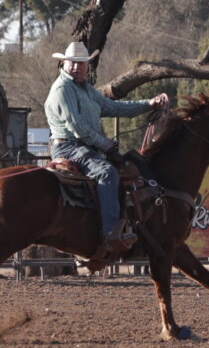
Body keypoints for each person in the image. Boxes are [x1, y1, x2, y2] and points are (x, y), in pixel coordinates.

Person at [43, 41, 171, 259]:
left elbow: (113, 107)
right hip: (69, 146)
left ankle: (130, 225)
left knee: (130, 168)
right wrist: (104, 143)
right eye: (72, 63)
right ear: (63, 63)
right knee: (106, 173)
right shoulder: (63, 89)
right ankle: (110, 233)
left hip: (83, 146)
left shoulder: (85, 89)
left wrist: (148, 104)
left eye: (81, 63)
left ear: (87, 66)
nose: (76, 67)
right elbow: (77, 127)